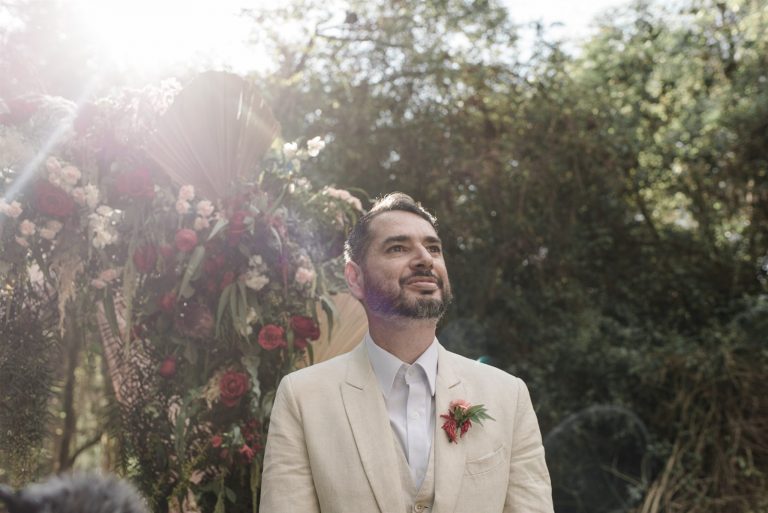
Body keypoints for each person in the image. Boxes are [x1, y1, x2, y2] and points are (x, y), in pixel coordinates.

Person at [260, 192, 553, 513]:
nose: (425, 259)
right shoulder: (302, 397)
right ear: (355, 279)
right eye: (398, 248)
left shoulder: (508, 395)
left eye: (433, 248)